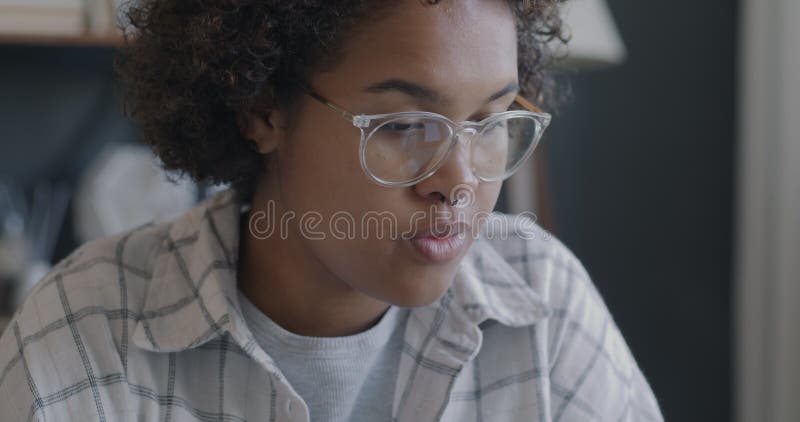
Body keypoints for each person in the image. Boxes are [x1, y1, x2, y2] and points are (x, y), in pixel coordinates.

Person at [0, 0, 663, 420]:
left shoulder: (543, 308)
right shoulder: (80, 343)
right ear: (262, 109)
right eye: (404, 125)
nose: (457, 184)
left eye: (489, 121)